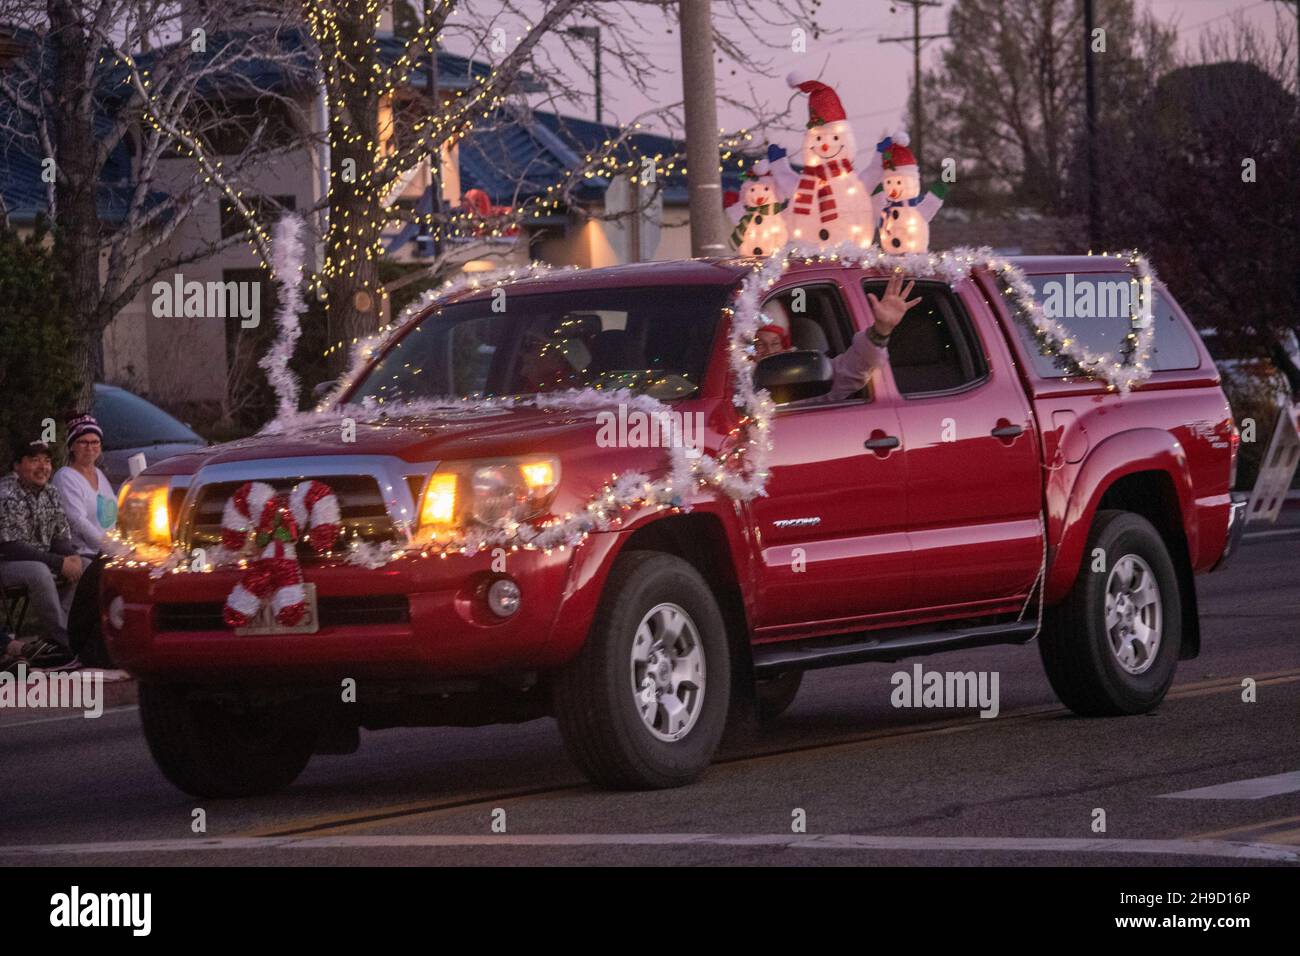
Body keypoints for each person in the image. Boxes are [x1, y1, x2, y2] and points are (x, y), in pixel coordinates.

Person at [755, 273, 921, 402]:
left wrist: (881, 330)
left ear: (785, 344)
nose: (770, 351)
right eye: (760, 345)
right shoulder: (733, 385)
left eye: (775, 343)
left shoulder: (802, 381)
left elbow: (849, 372)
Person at [0, 437, 86, 669]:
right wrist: (59, 563)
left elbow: (60, 537)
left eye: (47, 461)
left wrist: (72, 557)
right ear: (17, 465)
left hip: (40, 559)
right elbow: (11, 546)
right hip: (8, 563)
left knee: (86, 565)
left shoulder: (50, 492)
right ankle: (64, 641)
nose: (43, 466)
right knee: (38, 571)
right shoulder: (7, 493)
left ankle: (68, 634)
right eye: (34, 460)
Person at [53, 414, 126, 559]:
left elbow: (114, 513)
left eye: (95, 442)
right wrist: (111, 548)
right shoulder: (66, 477)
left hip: (112, 550)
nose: (90, 447)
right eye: (83, 442)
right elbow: (78, 521)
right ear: (72, 446)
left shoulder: (99, 474)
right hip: (86, 554)